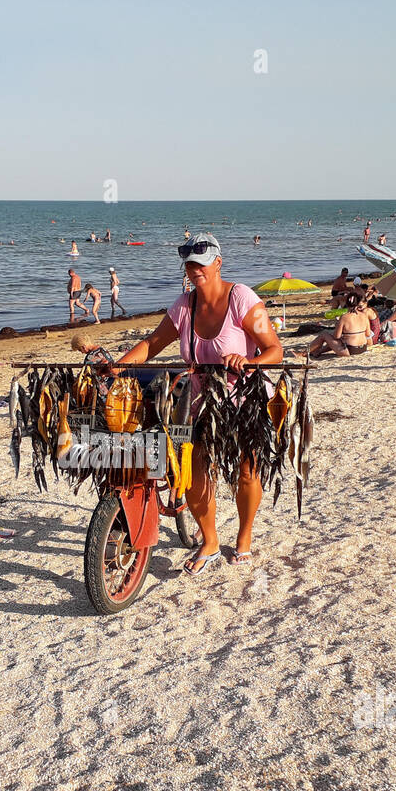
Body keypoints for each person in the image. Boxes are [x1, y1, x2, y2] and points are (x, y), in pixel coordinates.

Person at [114, 233, 282, 572]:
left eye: (202, 264)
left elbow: (275, 350)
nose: (195, 270)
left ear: (218, 263)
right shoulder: (183, 306)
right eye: (190, 265)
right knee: (193, 473)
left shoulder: (242, 298)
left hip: (244, 400)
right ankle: (210, 542)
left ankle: (244, 538)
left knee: (248, 473)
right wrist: (118, 366)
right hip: (200, 403)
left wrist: (247, 362)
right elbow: (153, 343)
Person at [308, 292, 373, 357]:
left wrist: (338, 327)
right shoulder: (364, 315)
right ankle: (318, 351)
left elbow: (336, 336)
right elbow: (368, 334)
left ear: (346, 303)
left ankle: (305, 353)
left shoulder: (344, 317)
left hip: (350, 350)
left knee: (324, 335)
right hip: (363, 348)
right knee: (339, 340)